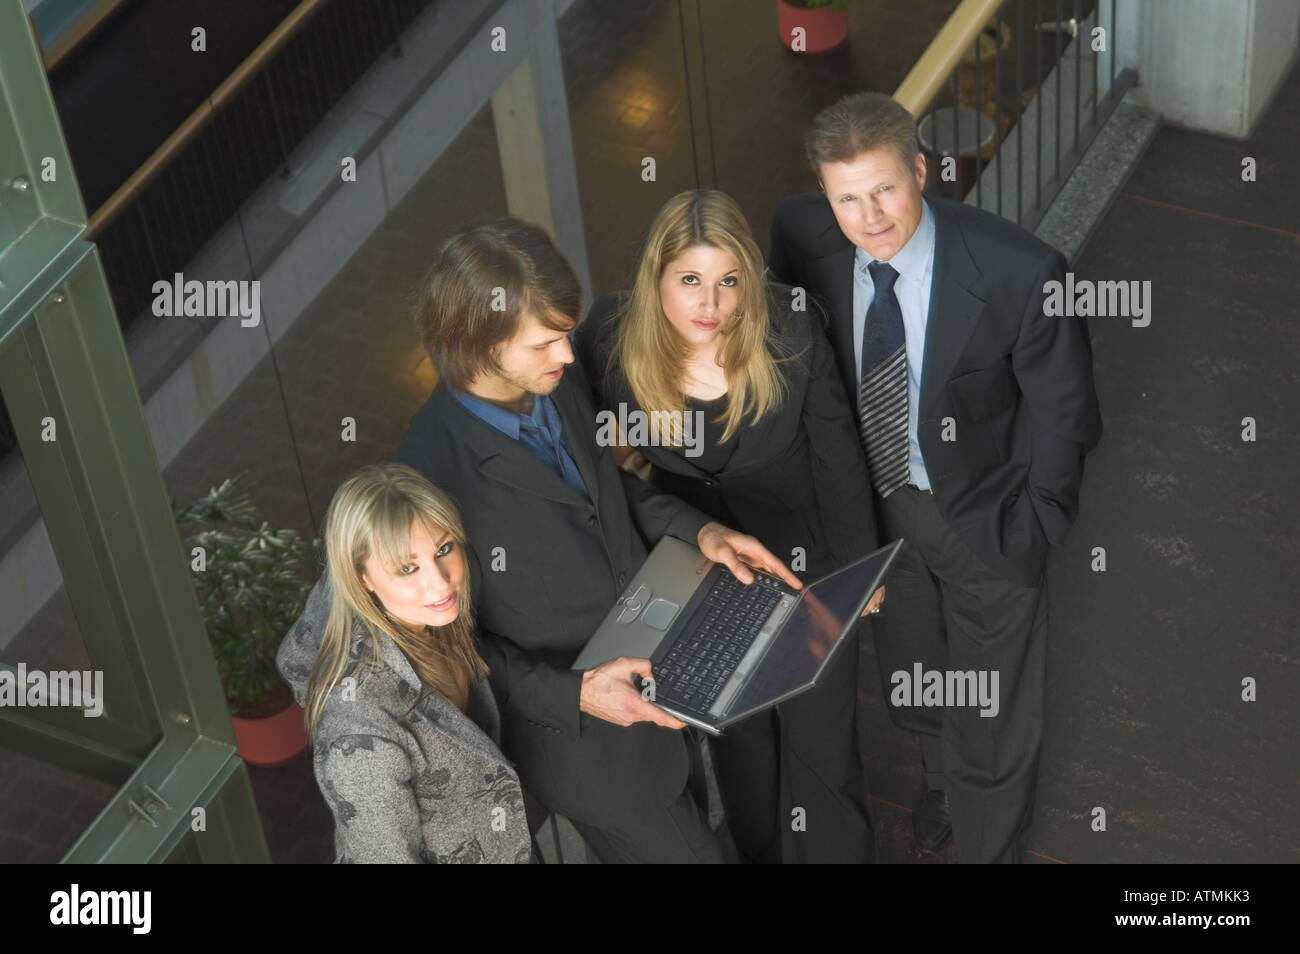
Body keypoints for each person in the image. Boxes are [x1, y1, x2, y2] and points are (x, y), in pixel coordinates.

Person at [281, 218, 800, 863]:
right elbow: (452, 647)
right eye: (544, 343)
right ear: (479, 347)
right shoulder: (428, 479)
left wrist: (704, 530)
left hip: (663, 679)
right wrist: (578, 693)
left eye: (563, 334)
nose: (568, 355)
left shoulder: (553, 381)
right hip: (588, 744)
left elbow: (603, 494)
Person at [768, 92, 1102, 863]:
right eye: (847, 197)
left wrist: (1034, 526)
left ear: (920, 169)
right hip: (878, 508)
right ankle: (940, 783)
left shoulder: (1020, 270)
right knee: (912, 666)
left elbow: (1068, 415)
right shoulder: (800, 233)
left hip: (986, 514)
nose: (870, 216)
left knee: (993, 710)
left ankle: (993, 848)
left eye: (885, 188)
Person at [575, 189, 883, 863]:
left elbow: (838, 459)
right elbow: (578, 449)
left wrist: (859, 572)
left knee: (823, 753)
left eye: (728, 282)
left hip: (806, 570)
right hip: (702, 577)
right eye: (689, 281)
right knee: (742, 750)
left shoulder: (792, 334)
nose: (710, 306)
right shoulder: (608, 338)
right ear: (657, 277)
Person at [276, 463, 531, 863]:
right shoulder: (360, 740)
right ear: (363, 579)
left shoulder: (428, 615)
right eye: (407, 569)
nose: (440, 582)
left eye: (444, 549)